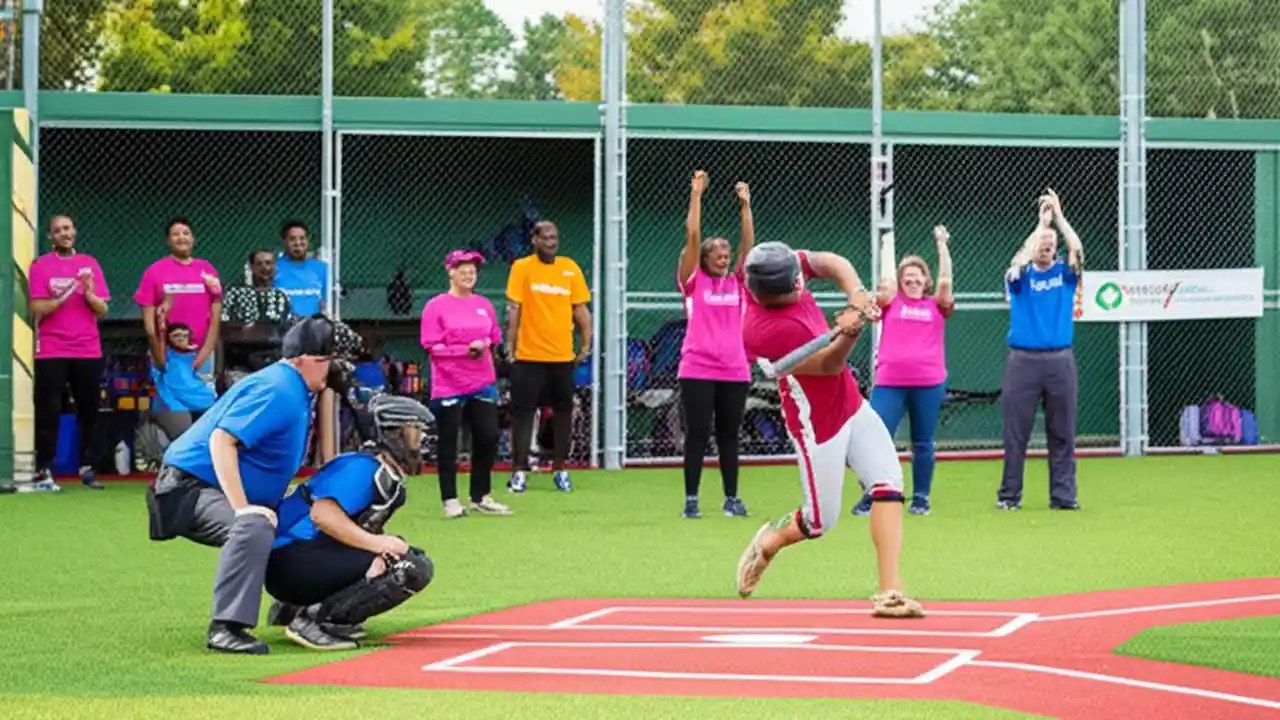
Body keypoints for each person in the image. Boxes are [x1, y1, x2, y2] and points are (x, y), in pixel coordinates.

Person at [733, 241, 924, 619]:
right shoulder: (762, 330)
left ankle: (889, 591)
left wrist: (857, 299)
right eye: (794, 286)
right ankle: (770, 541)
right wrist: (850, 334)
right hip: (815, 422)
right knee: (821, 519)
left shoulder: (782, 266)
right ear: (769, 295)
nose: (802, 285)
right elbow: (828, 365)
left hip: (851, 402)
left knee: (889, 481)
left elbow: (833, 261)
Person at [143, 315, 346, 655]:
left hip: (211, 487)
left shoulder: (299, 387)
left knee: (303, 518)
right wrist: (242, 508)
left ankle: (294, 603)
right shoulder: (278, 388)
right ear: (302, 359)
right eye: (326, 360)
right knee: (253, 525)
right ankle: (226, 627)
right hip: (187, 489)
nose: (333, 367)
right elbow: (222, 441)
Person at [263, 393, 436, 651]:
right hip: (291, 561)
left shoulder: (378, 471)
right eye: (416, 430)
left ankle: (300, 608)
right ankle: (316, 619)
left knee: (405, 553)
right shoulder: (363, 468)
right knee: (411, 567)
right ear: (395, 433)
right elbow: (322, 515)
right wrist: (379, 544)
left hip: (295, 560)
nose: (423, 440)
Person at [853, 227, 955, 517]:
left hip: (928, 384)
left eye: (917, 276)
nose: (912, 280)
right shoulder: (890, 303)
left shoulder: (936, 305)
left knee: (922, 441)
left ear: (926, 280)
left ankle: (921, 498)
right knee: (875, 439)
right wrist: (887, 245)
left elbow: (946, 282)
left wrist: (942, 245)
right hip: (889, 384)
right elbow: (885, 283)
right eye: (906, 277)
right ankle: (872, 494)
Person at [998, 188, 1084, 511]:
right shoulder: (1019, 277)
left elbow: (1077, 248)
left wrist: (1058, 218)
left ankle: (1063, 496)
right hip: (1023, 361)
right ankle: (1010, 496)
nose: (1045, 249)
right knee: (1016, 431)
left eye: (1050, 246)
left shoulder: (1064, 275)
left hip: (1060, 360)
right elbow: (1017, 261)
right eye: (1040, 245)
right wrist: (1039, 225)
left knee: (1062, 431)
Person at [676, 170, 754, 519]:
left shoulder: (738, 283)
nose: (724, 255)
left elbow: (748, 248)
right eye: (717, 251)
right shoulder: (694, 282)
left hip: (735, 369)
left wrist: (745, 208)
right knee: (697, 433)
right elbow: (692, 234)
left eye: (726, 251)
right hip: (697, 368)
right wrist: (697, 195)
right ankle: (691, 500)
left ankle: (731, 499)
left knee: (728, 435)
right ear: (703, 259)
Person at [420, 249, 511, 518]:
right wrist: (463, 351)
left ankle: (480, 496)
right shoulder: (436, 306)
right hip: (448, 384)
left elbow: (494, 338)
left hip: (481, 381)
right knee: (449, 442)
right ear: (451, 272)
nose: (469, 274)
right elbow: (431, 345)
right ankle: (450, 500)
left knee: (488, 435)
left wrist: (483, 347)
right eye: (463, 270)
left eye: (472, 270)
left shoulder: (484, 305)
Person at [504, 220, 592, 494]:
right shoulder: (522, 268)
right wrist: (511, 344)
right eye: (545, 237)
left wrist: (586, 343)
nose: (551, 242)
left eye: (555, 237)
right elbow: (513, 309)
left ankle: (560, 469)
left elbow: (580, 311)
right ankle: (519, 471)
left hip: (561, 356)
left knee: (563, 411)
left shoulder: (570, 269)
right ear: (534, 239)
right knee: (523, 412)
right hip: (528, 355)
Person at [27, 214, 110, 491]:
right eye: (58, 230)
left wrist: (88, 295)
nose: (65, 233)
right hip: (51, 348)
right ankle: (44, 469)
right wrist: (64, 295)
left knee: (89, 409)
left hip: (87, 348)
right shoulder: (41, 266)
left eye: (68, 228)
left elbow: (102, 309)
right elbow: (36, 308)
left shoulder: (90, 264)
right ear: (51, 236)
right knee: (49, 408)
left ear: (74, 231)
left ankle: (87, 467)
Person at [134, 217, 222, 400]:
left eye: (186, 233)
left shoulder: (207, 269)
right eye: (175, 234)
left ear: (193, 238)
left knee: (203, 409)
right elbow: (150, 327)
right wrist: (160, 358)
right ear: (168, 241)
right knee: (172, 412)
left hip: (201, 354)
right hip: (169, 356)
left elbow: (215, 318)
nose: (181, 238)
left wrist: (205, 353)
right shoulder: (154, 272)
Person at [149, 322, 218, 439]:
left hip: (202, 401)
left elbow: (207, 378)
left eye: (184, 336)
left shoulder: (199, 355)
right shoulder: (163, 356)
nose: (181, 339)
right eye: (176, 336)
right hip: (174, 404)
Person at [273, 220, 329, 317]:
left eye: (302, 238)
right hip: (285, 326)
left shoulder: (321, 268)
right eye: (292, 239)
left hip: (313, 325)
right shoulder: (274, 268)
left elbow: (326, 301)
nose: (298, 243)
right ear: (284, 242)